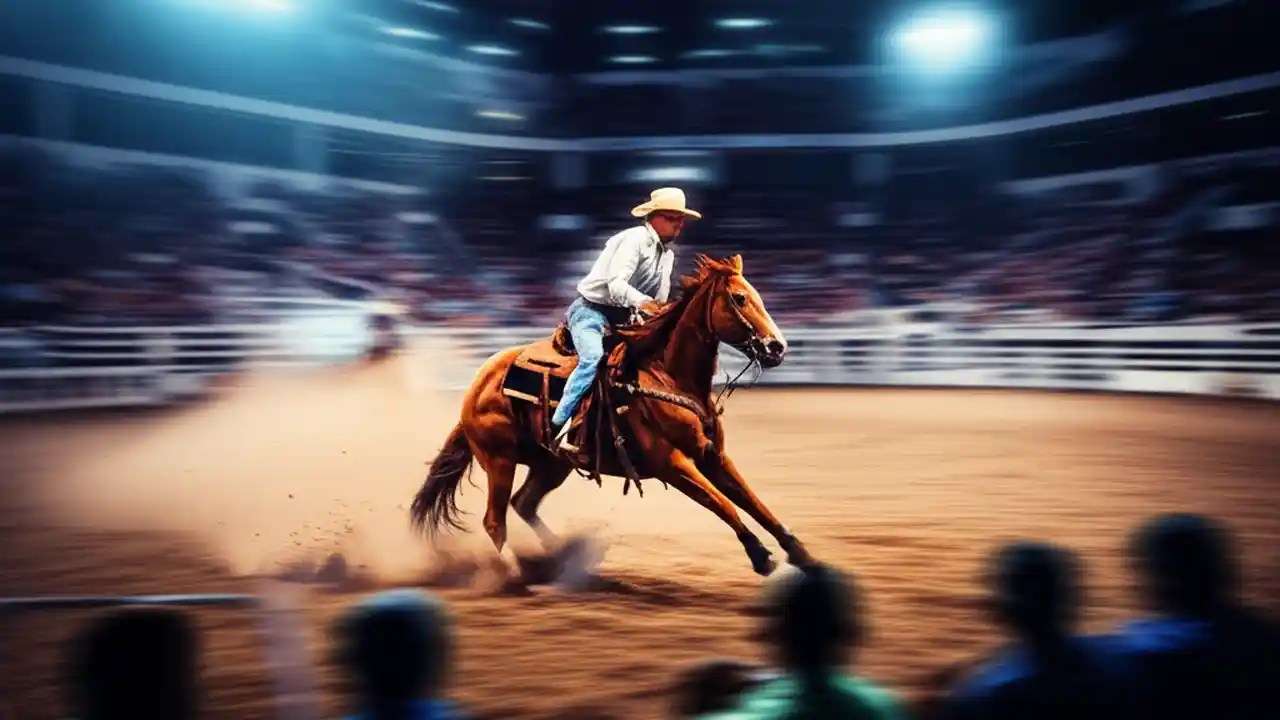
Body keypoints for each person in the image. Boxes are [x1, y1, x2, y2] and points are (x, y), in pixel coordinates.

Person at [550, 187, 701, 453]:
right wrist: (644, 303)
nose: (678, 225)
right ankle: (558, 426)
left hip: (626, 317)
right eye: (671, 218)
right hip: (591, 312)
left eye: (680, 220)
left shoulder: (668, 254)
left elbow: (660, 297)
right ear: (653, 217)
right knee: (592, 359)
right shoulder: (633, 240)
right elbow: (616, 284)